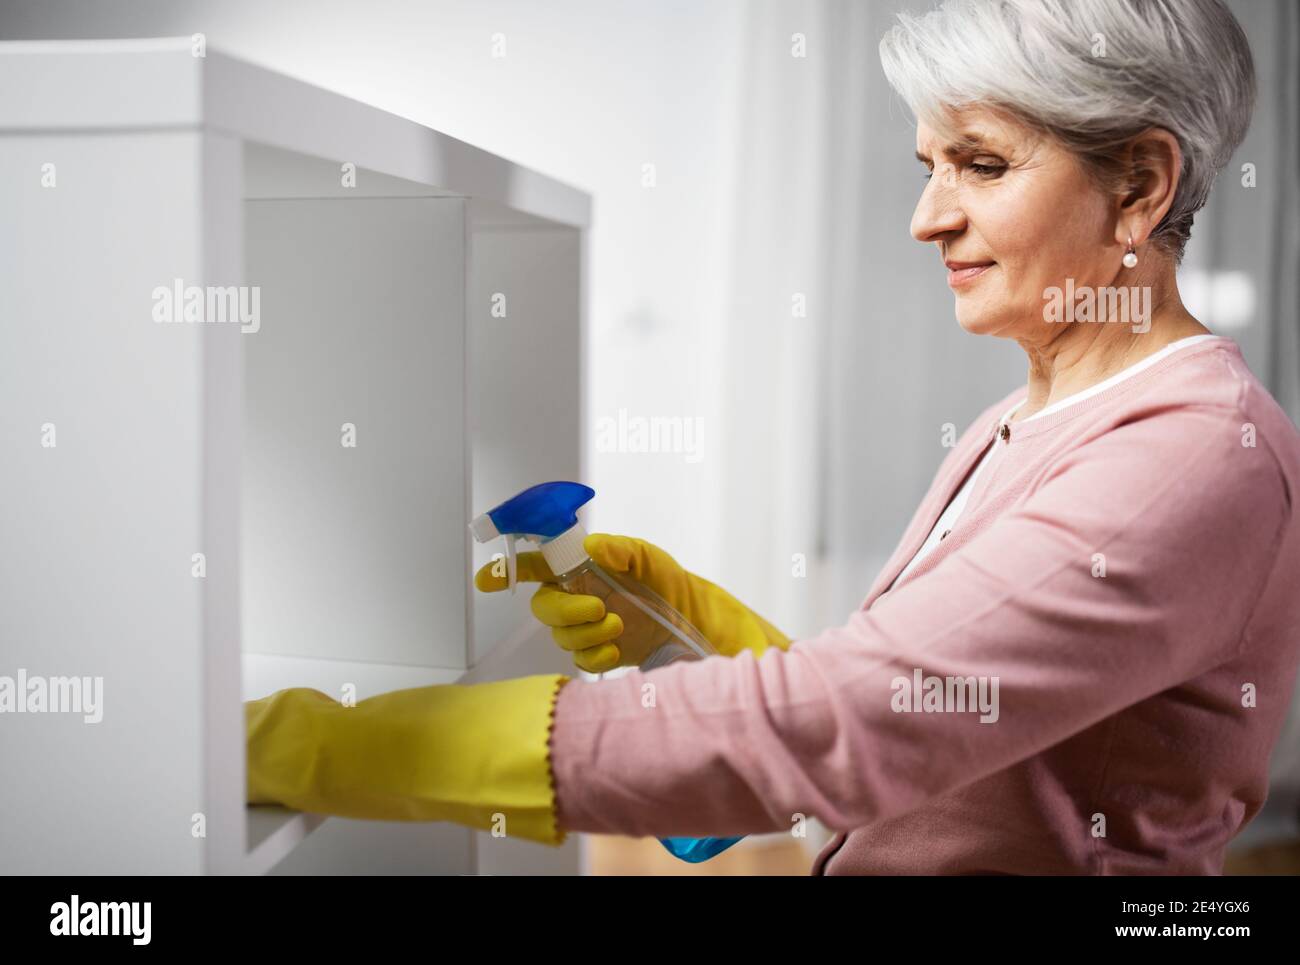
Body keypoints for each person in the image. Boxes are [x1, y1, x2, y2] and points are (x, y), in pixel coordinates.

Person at [245, 0, 1300, 874]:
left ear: (1141, 186)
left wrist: (325, 744)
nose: (925, 216)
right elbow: (943, 721)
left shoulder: (1189, 458)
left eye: (980, 163)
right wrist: (682, 621)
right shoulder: (1030, 412)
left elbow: (850, 723)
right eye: (929, 163)